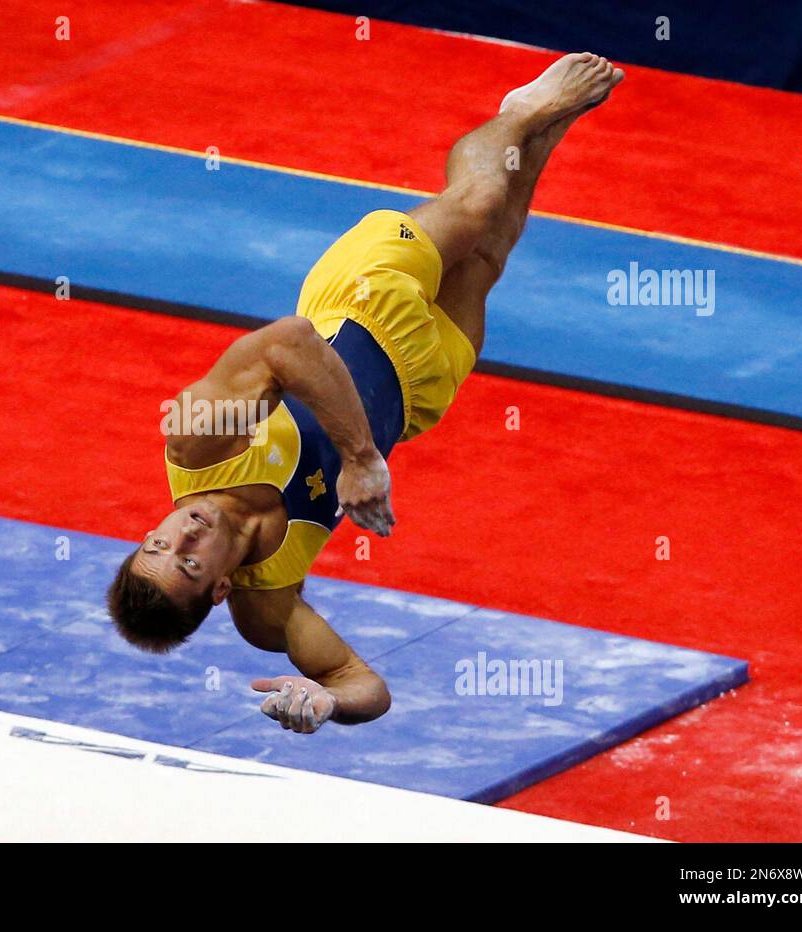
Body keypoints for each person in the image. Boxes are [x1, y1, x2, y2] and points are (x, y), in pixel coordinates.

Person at [107, 53, 625, 733]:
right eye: (188, 563)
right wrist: (329, 702)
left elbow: (289, 342)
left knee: (476, 204)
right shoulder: (268, 605)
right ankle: (539, 133)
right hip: (416, 390)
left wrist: (358, 457)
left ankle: (521, 110)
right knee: (495, 246)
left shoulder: (198, 443)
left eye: (158, 543)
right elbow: (363, 684)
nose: (183, 537)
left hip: (359, 300)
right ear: (221, 588)